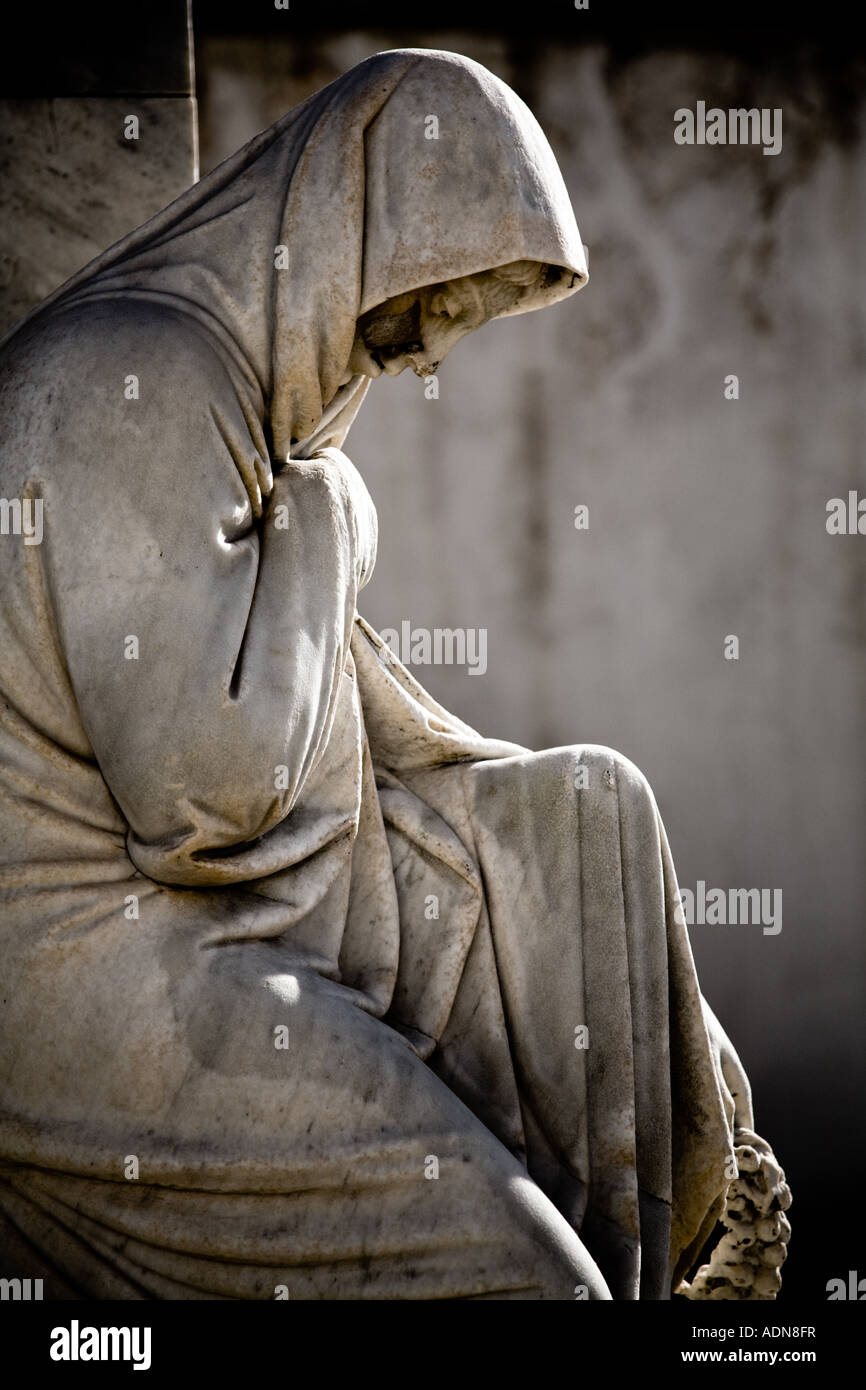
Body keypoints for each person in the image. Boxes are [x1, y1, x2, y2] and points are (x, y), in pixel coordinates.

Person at [0, 47, 786, 1299]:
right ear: (342, 228)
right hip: (80, 972)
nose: (431, 352)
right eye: (435, 298)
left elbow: (368, 745)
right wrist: (327, 523)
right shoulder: (141, 384)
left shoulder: (232, 399)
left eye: (466, 313)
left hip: (202, 929)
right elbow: (205, 805)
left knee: (590, 807)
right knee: (523, 1282)